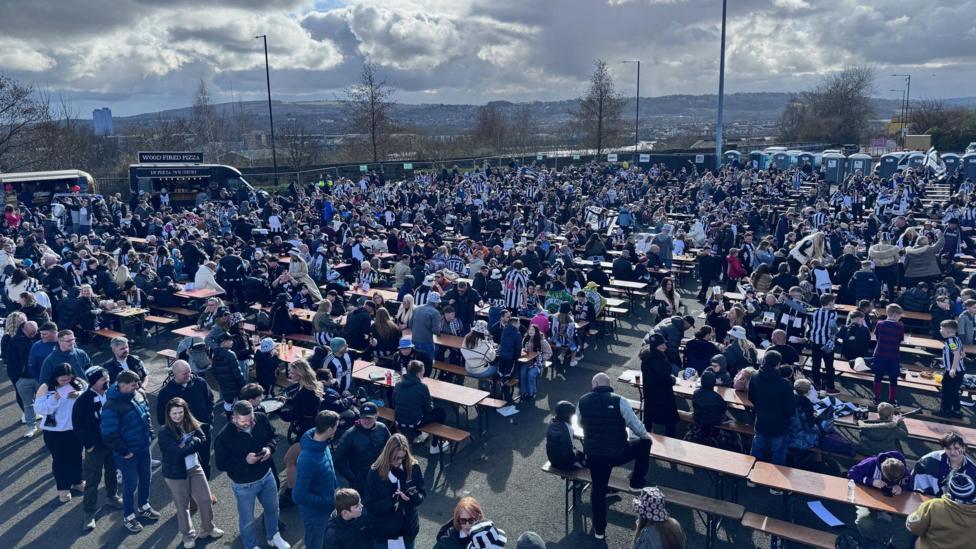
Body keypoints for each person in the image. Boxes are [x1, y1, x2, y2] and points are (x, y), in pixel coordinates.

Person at [578, 373, 653, 540]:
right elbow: (635, 425)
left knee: (597, 491)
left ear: (595, 384)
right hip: (617, 453)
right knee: (645, 443)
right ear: (607, 384)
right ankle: (636, 482)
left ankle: (599, 531)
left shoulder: (582, 400)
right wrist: (646, 436)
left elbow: (579, 422)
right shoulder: (620, 400)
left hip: (594, 456)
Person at [214, 400, 290, 549]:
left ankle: (273, 536)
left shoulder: (261, 418)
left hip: (267, 476)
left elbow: (273, 436)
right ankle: (250, 545)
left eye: (251, 419)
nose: (248, 423)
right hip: (244, 485)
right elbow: (221, 464)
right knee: (247, 519)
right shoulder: (223, 437)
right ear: (233, 418)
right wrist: (245, 461)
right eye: (243, 421)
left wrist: (269, 449)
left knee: (273, 509)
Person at [158, 397, 223, 548]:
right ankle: (188, 536)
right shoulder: (164, 432)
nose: (177, 416)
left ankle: (208, 529)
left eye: (180, 412)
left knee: (206, 499)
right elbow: (177, 454)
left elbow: (203, 437)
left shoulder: (190, 422)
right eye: (174, 413)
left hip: (194, 467)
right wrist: (193, 443)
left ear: (185, 411)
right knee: (183, 505)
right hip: (176, 474)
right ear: (168, 414)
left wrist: (189, 445)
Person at [101, 370, 160, 533]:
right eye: (133, 385)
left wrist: (150, 432)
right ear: (122, 385)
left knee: (146, 478)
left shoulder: (138, 394)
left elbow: (146, 414)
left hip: (143, 448)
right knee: (130, 485)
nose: (138, 387)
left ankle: (144, 506)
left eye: (138, 384)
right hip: (128, 454)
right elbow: (109, 435)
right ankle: (129, 517)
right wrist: (125, 452)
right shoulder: (111, 406)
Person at [71, 366, 122, 530]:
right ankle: (89, 513)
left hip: (112, 443)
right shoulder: (83, 400)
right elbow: (78, 425)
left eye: (107, 377)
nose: (107, 380)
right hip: (96, 447)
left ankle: (112, 496)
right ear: (93, 382)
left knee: (112, 471)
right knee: (92, 480)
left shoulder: (111, 393)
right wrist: (89, 445)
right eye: (103, 379)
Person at [364, 434, 427, 549]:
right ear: (388, 454)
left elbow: (422, 493)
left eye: (403, 458)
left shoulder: (414, 467)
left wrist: (413, 498)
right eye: (396, 458)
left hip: (408, 528)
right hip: (384, 531)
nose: (399, 461)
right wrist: (392, 500)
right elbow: (370, 505)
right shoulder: (375, 473)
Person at [35, 362, 86, 503]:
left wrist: (78, 395)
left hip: (74, 429)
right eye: (62, 380)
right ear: (55, 377)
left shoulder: (78, 383)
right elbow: (39, 409)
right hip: (54, 432)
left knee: (76, 456)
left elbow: (88, 396)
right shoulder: (46, 387)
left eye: (68, 379)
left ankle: (78, 481)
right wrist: (55, 398)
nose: (66, 382)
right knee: (60, 460)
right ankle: (63, 489)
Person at [156, 360, 215, 479]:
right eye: (184, 373)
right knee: (185, 464)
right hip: (180, 435)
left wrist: (208, 419)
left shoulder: (200, 383)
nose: (189, 375)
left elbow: (210, 400)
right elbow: (161, 417)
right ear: (175, 374)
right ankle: (190, 492)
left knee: (205, 460)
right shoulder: (166, 392)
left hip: (202, 429)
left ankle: (205, 489)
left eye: (189, 371)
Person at [847, 451, 913, 549]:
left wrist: (902, 488)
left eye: (895, 480)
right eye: (888, 479)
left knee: (905, 525)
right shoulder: (870, 463)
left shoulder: (902, 470)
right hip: (867, 499)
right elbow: (851, 473)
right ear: (881, 470)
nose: (890, 482)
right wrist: (870, 481)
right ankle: (873, 542)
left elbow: (911, 486)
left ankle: (893, 545)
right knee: (864, 522)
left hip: (893, 504)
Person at [293, 410, 340, 549]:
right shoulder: (307, 459)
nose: (337, 429)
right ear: (330, 429)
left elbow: (330, 469)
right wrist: (327, 501)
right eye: (336, 426)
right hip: (315, 515)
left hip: (326, 508)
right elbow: (298, 496)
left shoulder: (323, 443)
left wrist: (336, 489)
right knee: (315, 544)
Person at [748, 351, 794, 474]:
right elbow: (790, 408)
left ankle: (752, 474)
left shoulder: (755, 376)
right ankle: (775, 483)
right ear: (778, 364)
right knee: (778, 454)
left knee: (757, 449)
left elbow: (751, 397)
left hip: (761, 419)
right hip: (779, 424)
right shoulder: (785, 384)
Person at [906, 472, 976, 549]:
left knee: (915, 534)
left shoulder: (933, 506)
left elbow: (913, 527)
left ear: (948, 490)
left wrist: (913, 516)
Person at [334, 402, 391, 494]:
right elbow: (338, 461)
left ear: (376, 416)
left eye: (370, 418)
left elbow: (391, 447)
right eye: (364, 417)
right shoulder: (349, 435)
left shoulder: (382, 428)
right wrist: (354, 479)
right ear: (360, 416)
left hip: (380, 474)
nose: (366, 421)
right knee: (361, 506)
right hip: (360, 480)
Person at [394, 360, 449, 454]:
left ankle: (420, 435)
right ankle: (435, 445)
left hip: (398, 420)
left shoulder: (398, 384)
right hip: (414, 422)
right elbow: (429, 408)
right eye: (423, 372)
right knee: (441, 412)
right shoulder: (422, 386)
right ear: (419, 373)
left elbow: (394, 401)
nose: (423, 374)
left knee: (413, 409)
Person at [640, 333, 679, 436]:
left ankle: (646, 440)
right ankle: (671, 443)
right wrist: (673, 380)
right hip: (662, 395)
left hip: (649, 393)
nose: (665, 346)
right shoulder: (658, 361)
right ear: (656, 346)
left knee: (648, 418)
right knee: (669, 420)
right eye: (662, 344)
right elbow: (666, 379)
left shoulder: (647, 356)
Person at [434, 497, 507, 549]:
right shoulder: (448, 541)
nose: (467, 525)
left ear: (479, 517)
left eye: (471, 520)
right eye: (463, 521)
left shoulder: (486, 532)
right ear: (457, 519)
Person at [872, 303, 905, 405]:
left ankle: (876, 398)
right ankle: (892, 399)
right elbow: (901, 340)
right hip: (893, 355)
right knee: (893, 378)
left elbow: (877, 336)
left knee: (878, 376)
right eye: (900, 316)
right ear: (895, 315)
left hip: (880, 353)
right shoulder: (900, 326)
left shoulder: (880, 324)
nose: (900, 318)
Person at [808, 293, 839, 393]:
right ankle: (830, 387)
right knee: (829, 366)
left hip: (815, 342)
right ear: (830, 303)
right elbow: (833, 328)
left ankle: (816, 385)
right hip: (827, 343)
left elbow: (802, 308)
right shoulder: (833, 314)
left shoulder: (814, 310)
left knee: (816, 364)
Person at [936, 319, 965, 418]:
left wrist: (953, 368)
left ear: (948, 331)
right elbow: (962, 353)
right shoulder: (957, 339)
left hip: (953, 371)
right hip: (959, 370)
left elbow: (957, 354)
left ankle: (945, 410)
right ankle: (956, 411)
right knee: (953, 391)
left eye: (941, 328)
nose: (940, 330)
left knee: (946, 390)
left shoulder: (950, 341)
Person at [212, 332, 245, 417]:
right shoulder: (230, 354)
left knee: (228, 402)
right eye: (230, 340)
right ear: (224, 342)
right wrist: (242, 383)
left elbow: (214, 371)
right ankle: (238, 418)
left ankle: (229, 417)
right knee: (238, 401)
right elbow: (237, 372)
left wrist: (220, 380)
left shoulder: (214, 354)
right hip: (234, 384)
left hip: (223, 383)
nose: (232, 341)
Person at [546, 401, 586, 471]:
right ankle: (577, 480)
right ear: (567, 416)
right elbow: (569, 449)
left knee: (580, 454)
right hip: (565, 464)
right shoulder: (566, 428)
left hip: (552, 460)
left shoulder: (552, 422)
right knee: (586, 461)